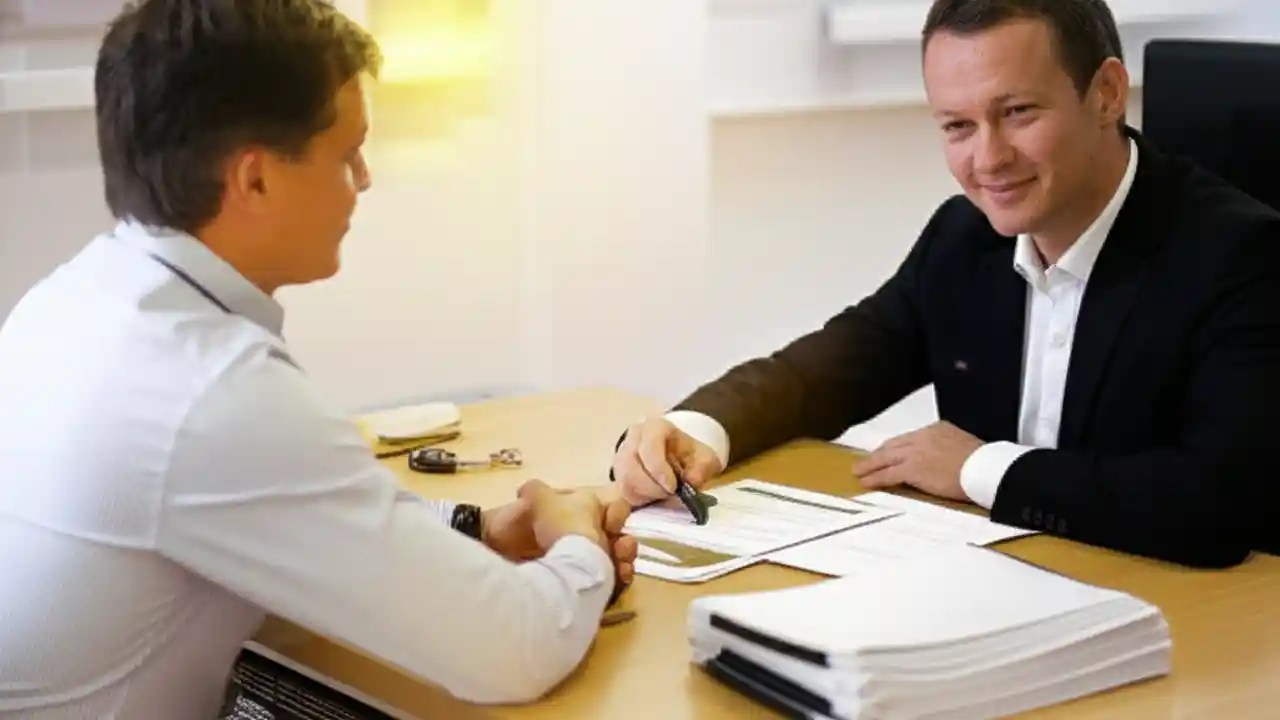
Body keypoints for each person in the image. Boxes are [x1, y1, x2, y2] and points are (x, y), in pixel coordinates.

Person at [0, 1, 637, 717]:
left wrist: (474, 529)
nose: (363, 178)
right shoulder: (213, 391)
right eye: (346, 153)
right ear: (255, 180)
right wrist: (579, 542)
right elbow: (514, 649)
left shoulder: (70, 302)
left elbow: (279, 507)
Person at [610, 0, 1280, 569]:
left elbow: (1214, 503)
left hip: (1185, 622)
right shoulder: (965, 238)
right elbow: (828, 369)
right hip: (998, 588)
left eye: (1018, 112)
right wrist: (699, 429)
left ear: (1106, 93)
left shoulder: (1242, 255)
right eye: (958, 126)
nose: (988, 159)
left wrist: (979, 468)